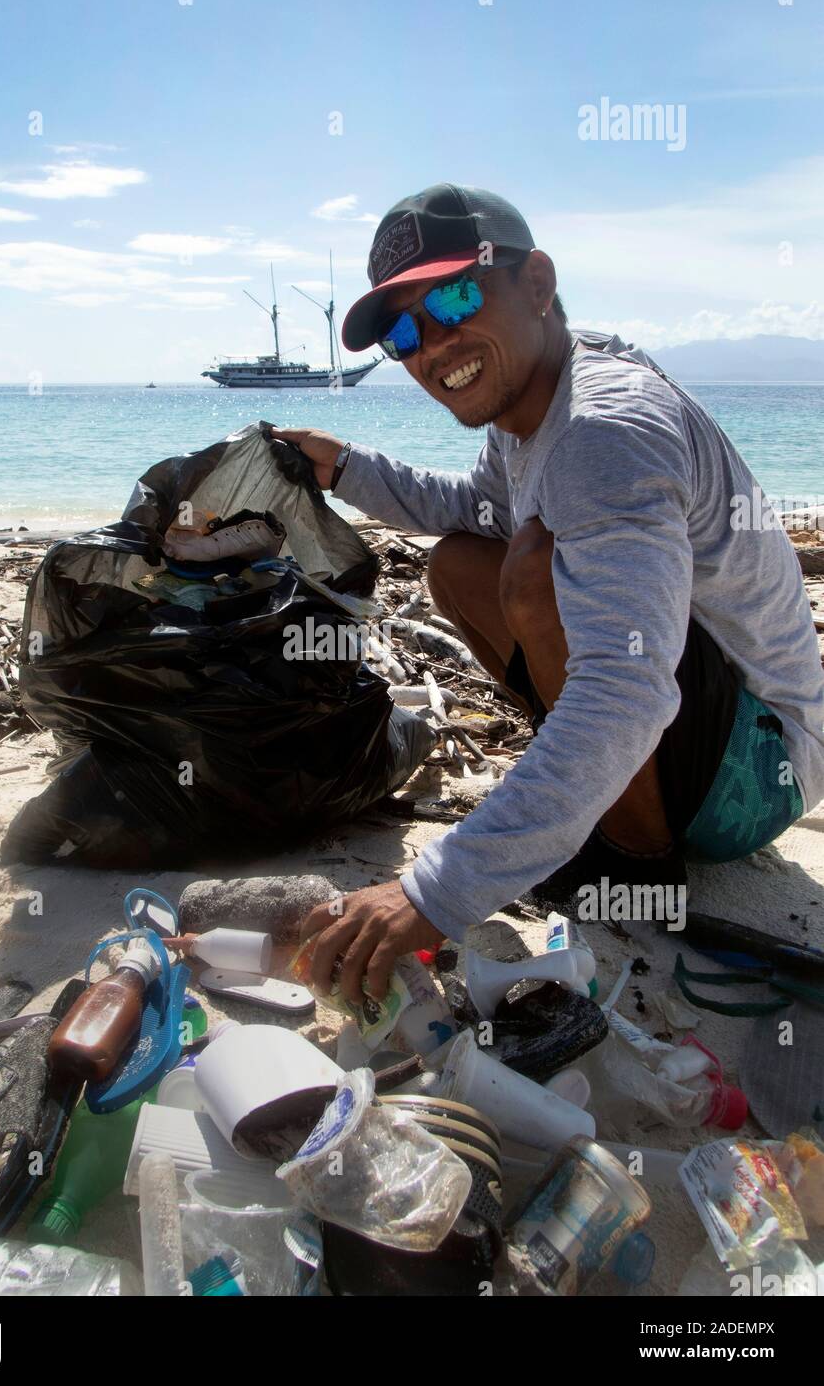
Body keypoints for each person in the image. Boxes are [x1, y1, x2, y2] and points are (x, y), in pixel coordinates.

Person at [272, 182, 824, 1007]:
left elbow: (625, 689)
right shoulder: (530, 403)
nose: (433, 343)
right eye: (403, 330)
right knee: (463, 563)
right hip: (698, 721)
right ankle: (604, 806)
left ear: (537, 284)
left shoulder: (603, 431)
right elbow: (477, 510)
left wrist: (433, 893)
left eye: (456, 295)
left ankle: (639, 858)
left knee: (531, 571)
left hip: (765, 764)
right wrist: (344, 467)